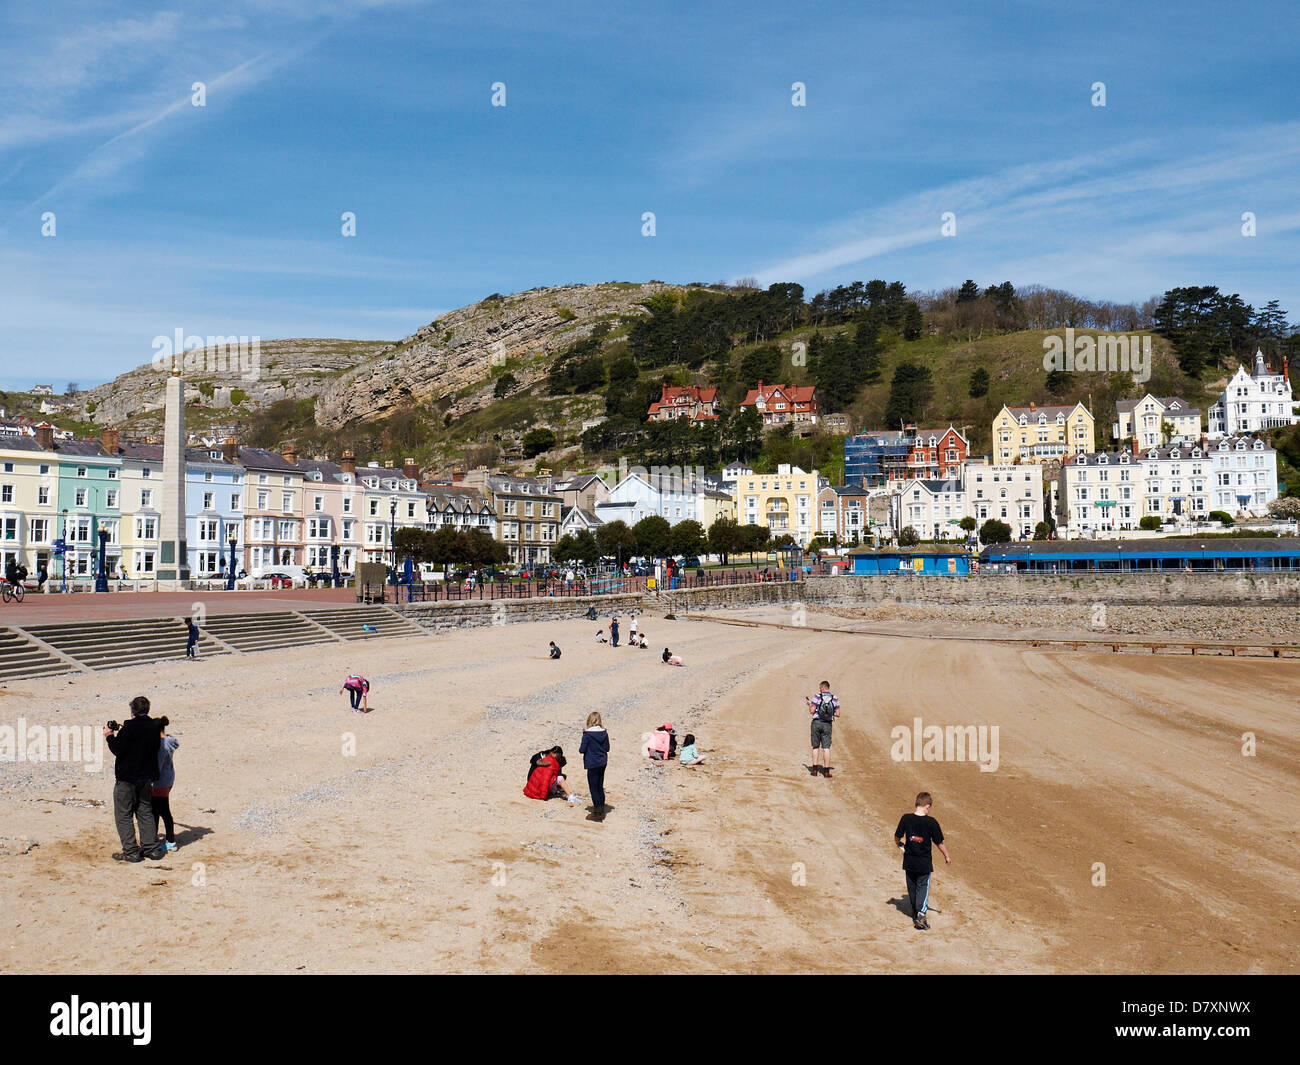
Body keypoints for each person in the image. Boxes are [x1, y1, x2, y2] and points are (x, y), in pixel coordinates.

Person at [104, 696, 164, 862]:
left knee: (123, 814)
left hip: (127, 778)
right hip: (146, 777)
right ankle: (151, 849)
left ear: (132, 711)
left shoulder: (129, 728)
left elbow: (117, 749)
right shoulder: (154, 727)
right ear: (147, 710)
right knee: (145, 811)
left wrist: (109, 736)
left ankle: (131, 851)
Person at [894, 791, 950, 930]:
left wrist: (900, 845)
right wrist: (946, 856)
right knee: (923, 888)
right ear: (927, 806)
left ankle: (915, 912)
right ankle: (920, 914)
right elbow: (939, 842)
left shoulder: (906, 818)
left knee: (912, 888)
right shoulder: (931, 822)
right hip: (924, 863)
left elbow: (897, 837)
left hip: (909, 862)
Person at [153, 718, 180, 852]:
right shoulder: (170, 740)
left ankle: (170, 842)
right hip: (168, 780)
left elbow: (157, 767)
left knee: (161, 811)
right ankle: (157, 838)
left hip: (160, 783)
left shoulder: (162, 746)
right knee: (159, 810)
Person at [580, 711, 610, 822]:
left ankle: (598, 812)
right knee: (599, 785)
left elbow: (582, 750)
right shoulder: (604, 733)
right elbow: (607, 748)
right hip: (602, 761)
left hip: (592, 762)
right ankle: (601, 806)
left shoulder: (587, 734)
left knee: (593, 787)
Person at [806, 680, 839, 777]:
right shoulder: (835, 698)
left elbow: (812, 711)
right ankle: (826, 771)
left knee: (815, 746)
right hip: (827, 724)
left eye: (820, 687)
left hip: (816, 723)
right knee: (826, 748)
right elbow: (837, 714)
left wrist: (810, 704)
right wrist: (828, 713)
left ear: (822, 687)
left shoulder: (817, 697)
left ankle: (815, 770)